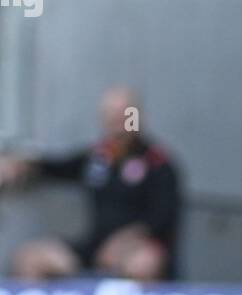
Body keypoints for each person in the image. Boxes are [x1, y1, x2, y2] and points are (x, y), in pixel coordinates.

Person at [0, 86, 182, 282]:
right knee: (31, 258)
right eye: (111, 116)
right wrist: (20, 164)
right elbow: (58, 167)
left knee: (144, 263)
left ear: (139, 118)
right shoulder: (98, 157)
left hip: (137, 248)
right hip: (96, 247)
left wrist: (125, 241)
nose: (118, 123)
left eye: (126, 115)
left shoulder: (157, 164)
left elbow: (162, 217)